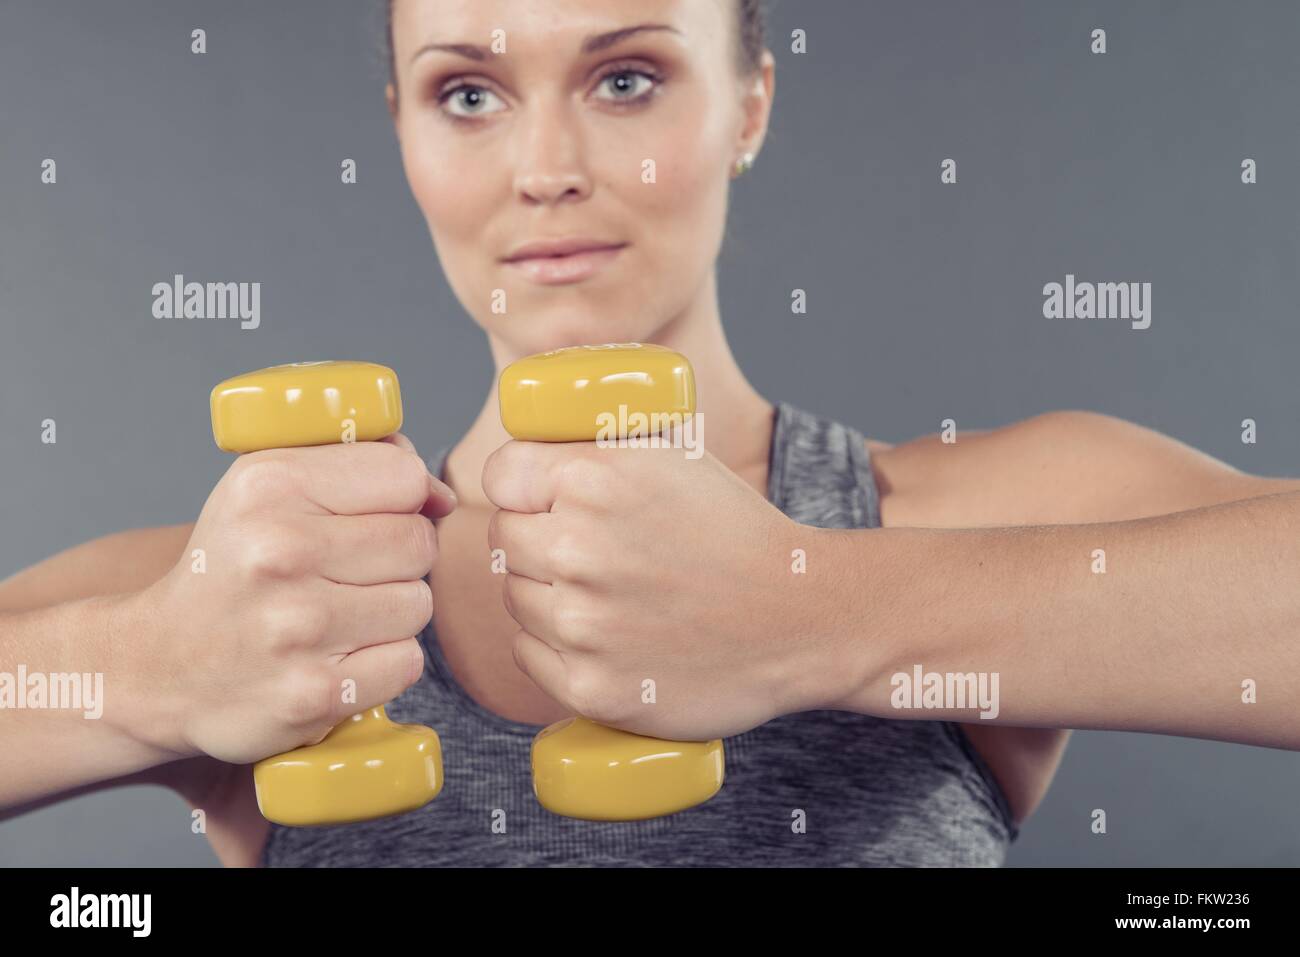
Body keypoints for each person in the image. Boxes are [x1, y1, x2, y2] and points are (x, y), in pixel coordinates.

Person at [2, 0, 1297, 868]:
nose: (547, 164)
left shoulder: (961, 514)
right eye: (466, 94)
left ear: (748, 106)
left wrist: (811, 611)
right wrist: (148, 665)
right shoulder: (254, 607)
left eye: (626, 79)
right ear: (395, 124)